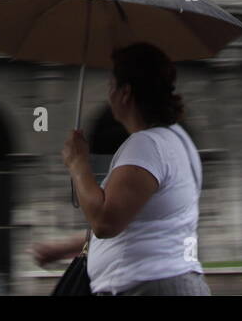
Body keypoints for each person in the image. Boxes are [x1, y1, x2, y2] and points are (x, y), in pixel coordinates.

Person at [33, 42, 209, 295]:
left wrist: (78, 163)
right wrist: (63, 248)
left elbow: (106, 222)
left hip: (147, 287)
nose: (109, 94)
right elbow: (138, 224)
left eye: (110, 87)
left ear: (125, 93)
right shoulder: (177, 140)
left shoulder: (146, 145)